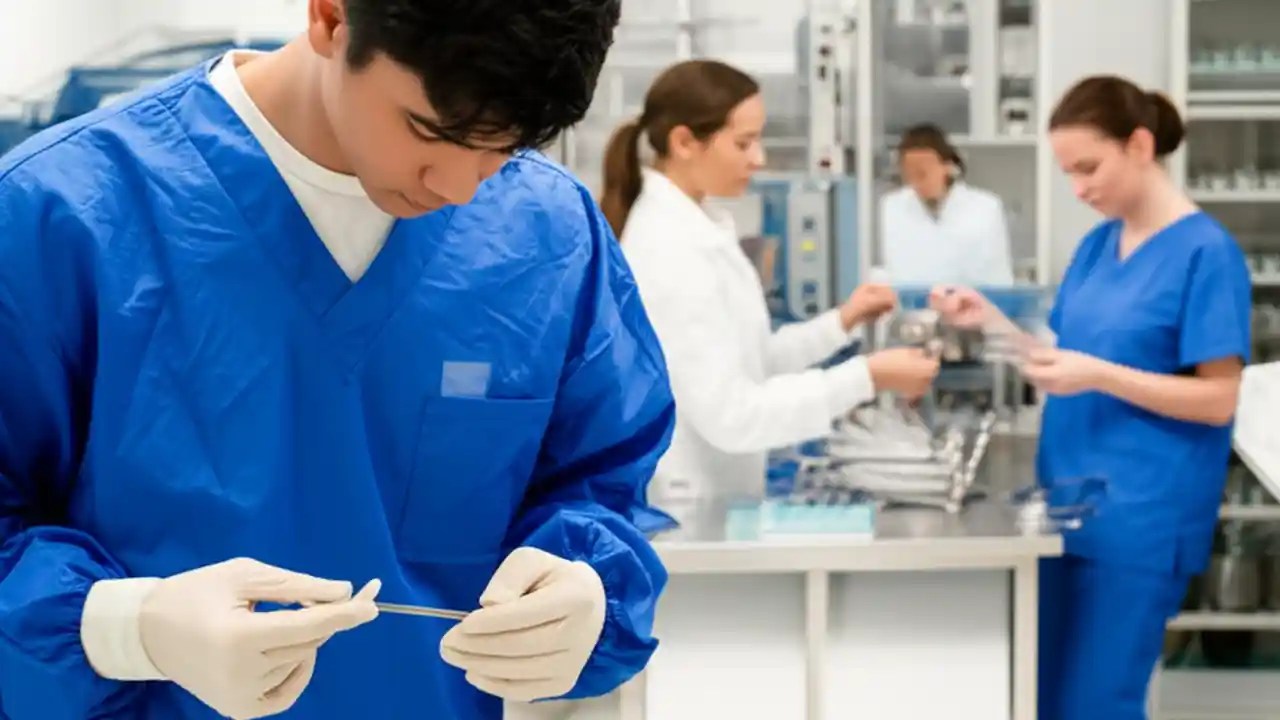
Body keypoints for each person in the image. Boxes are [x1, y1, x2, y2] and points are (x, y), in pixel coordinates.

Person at [0, 1, 677, 718]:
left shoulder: (545, 234)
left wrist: (585, 589)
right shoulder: (62, 214)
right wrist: (126, 628)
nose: (459, 187)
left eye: (504, 147)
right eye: (431, 129)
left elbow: (600, 488)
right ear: (330, 18)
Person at [933, 75, 1251, 720]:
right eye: (1067, 174)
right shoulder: (1097, 245)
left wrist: (1101, 375)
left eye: (1088, 168)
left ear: (1139, 145)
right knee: (1042, 698)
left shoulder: (1206, 254)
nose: (1079, 189)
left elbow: (1219, 399)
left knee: (1096, 704)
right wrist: (992, 322)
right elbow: (1063, 358)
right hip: (1062, 511)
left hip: (1139, 520)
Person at [602, 60, 940, 498]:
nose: (758, 158)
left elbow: (751, 361)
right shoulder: (670, 250)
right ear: (685, 142)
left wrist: (843, 322)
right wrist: (867, 377)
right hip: (689, 503)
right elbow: (733, 416)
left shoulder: (701, 227)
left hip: (717, 497)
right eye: (744, 143)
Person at [881, 123, 1015, 287]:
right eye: (910, 174)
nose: (916, 183)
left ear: (948, 167)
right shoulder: (892, 207)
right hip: (910, 309)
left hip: (970, 307)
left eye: (923, 173)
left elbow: (998, 278)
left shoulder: (985, 208)